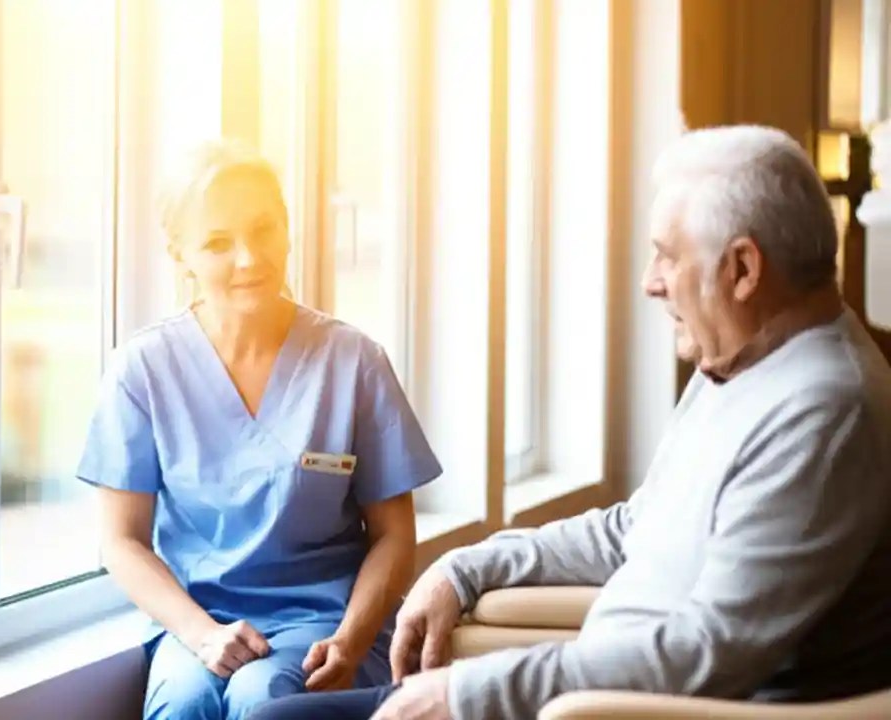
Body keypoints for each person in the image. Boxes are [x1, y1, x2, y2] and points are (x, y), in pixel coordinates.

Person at [248, 125, 891, 720]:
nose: (650, 282)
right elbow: (632, 531)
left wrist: (468, 693)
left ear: (743, 269)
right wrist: (464, 568)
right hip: (595, 693)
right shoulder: (739, 365)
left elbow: (707, 654)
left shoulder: (825, 413)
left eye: (667, 256)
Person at [76, 139, 443, 720]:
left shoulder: (352, 361)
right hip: (197, 624)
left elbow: (395, 534)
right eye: (219, 243)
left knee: (259, 700)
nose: (249, 258)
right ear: (181, 255)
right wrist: (201, 636)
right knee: (184, 704)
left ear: (287, 230)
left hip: (327, 622)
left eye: (263, 230)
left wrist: (350, 640)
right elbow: (122, 541)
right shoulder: (142, 371)